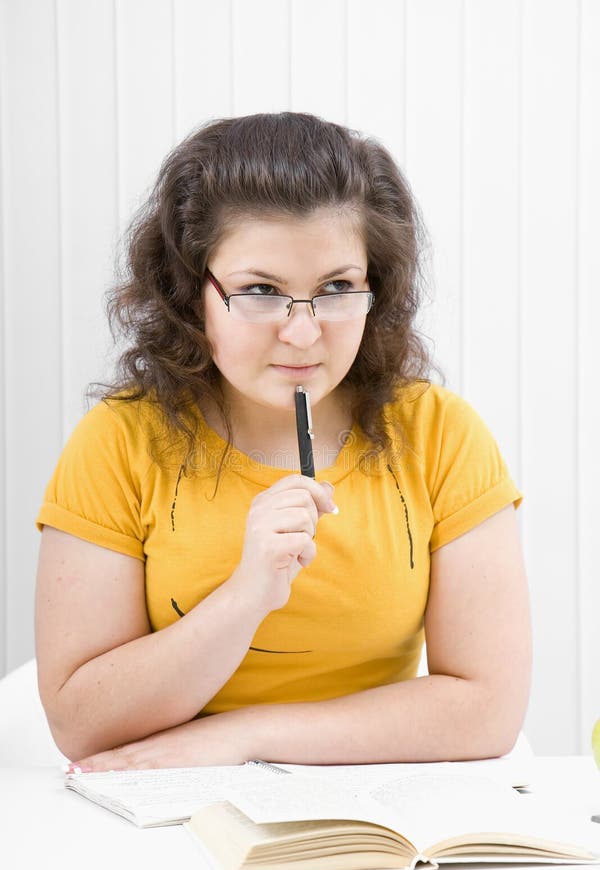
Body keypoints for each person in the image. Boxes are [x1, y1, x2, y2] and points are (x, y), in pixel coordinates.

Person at [34, 111, 531, 772]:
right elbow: (81, 724)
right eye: (261, 291)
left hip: (378, 807)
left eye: (335, 289)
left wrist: (243, 738)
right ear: (191, 291)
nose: (302, 335)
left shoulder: (441, 435)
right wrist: (248, 595)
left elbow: (488, 708)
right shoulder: (119, 442)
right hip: (168, 810)